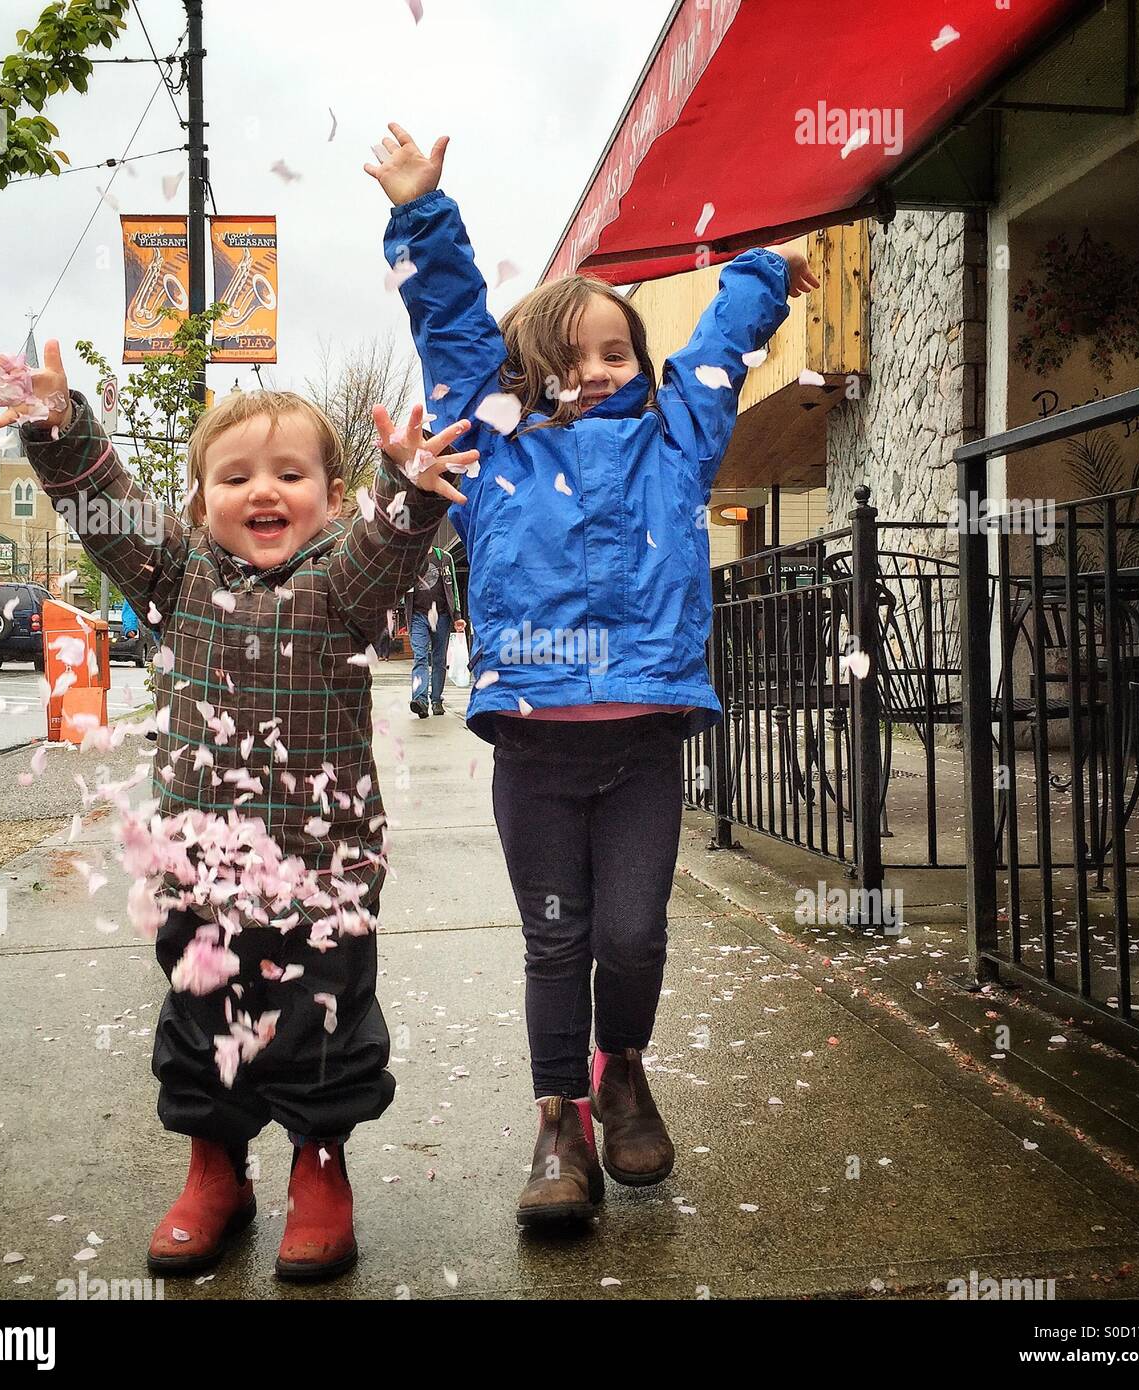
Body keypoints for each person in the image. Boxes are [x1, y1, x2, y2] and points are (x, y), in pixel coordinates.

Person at [367, 123, 817, 1226]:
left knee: (633, 934)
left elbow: (715, 349)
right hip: (534, 745)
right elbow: (453, 328)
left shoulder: (677, 440)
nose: (595, 371)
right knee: (557, 939)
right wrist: (423, 212)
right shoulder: (495, 445)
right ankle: (557, 1123)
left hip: (640, 747)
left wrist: (761, 274)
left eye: (614, 352)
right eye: (568, 358)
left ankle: (624, 1072)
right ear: (525, 374)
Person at [0, 342, 473, 1278]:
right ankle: (215, 1169)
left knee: (325, 1030)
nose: (263, 491)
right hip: (200, 871)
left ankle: (321, 1173)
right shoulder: (177, 579)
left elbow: (388, 547)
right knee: (201, 1028)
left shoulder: (340, 590)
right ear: (199, 502)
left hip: (325, 878)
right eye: (235, 477)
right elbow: (106, 515)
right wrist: (60, 426)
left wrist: (409, 489)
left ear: (329, 492)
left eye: (290, 473)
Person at [405, 543, 464, 717]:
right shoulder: (410, 558)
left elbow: (453, 588)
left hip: (442, 616)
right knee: (420, 657)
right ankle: (420, 700)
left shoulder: (444, 558)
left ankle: (437, 700)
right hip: (418, 615)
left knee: (439, 659)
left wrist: (458, 615)